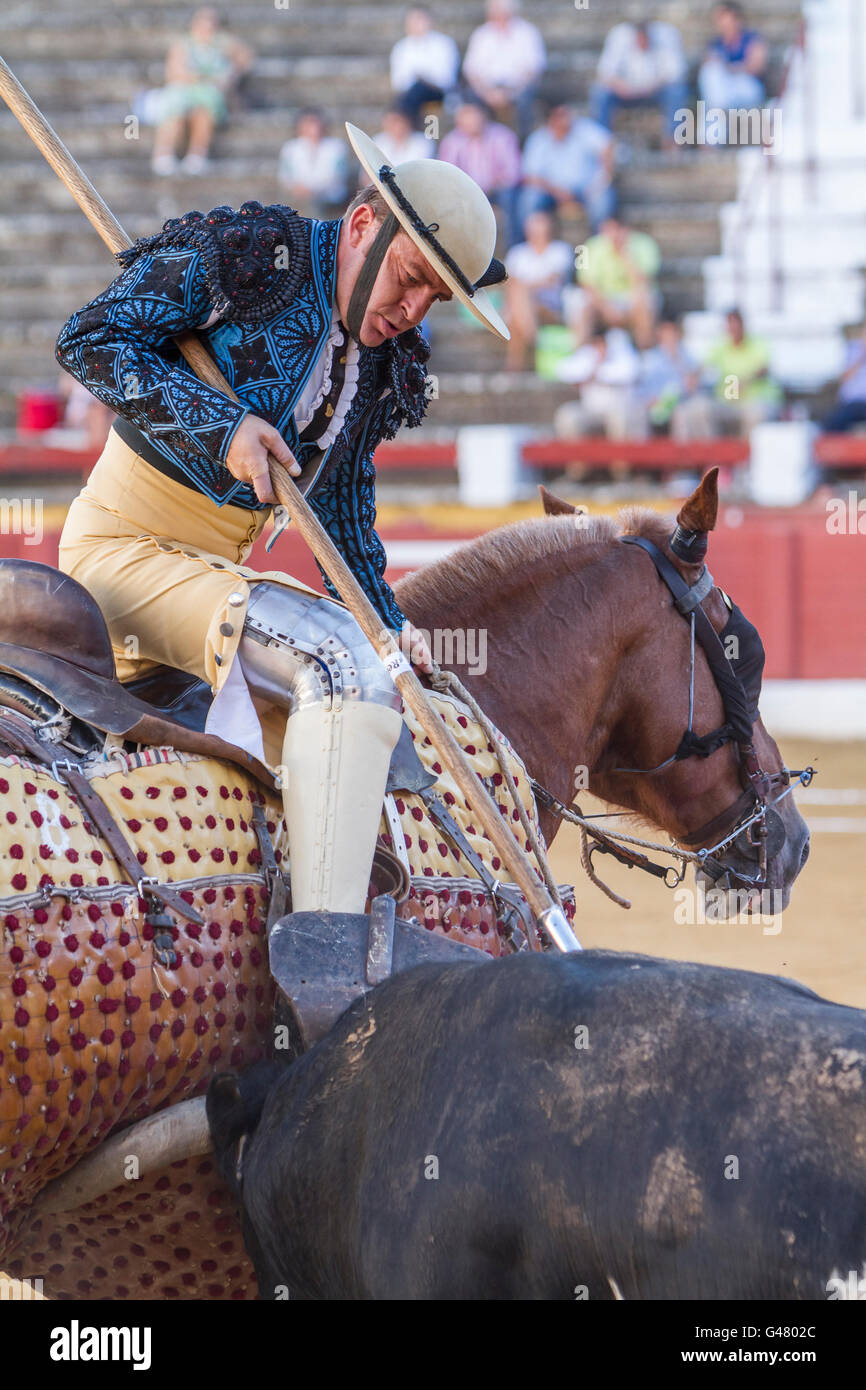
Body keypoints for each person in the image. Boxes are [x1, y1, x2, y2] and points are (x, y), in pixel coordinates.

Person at [55, 125, 510, 959]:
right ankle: (327, 964)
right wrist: (220, 425)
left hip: (206, 580)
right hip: (117, 558)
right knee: (337, 664)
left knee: (371, 668)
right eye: (411, 279)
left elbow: (336, 510)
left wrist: (388, 626)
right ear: (366, 228)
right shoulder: (249, 259)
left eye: (433, 299)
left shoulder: (383, 365)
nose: (411, 311)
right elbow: (89, 339)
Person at [151, 7, 252, 175]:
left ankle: (197, 154)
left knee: (204, 112)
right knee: (175, 111)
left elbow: (246, 58)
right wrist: (201, 78)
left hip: (206, 95)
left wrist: (232, 74)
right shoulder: (182, 44)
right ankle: (163, 153)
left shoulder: (222, 43)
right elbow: (173, 73)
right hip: (183, 91)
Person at [519, 101, 616, 237]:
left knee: (602, 200)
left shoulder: (583, 128)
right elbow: (531, 177)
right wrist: (558, 192)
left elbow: (607, 145)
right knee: (530, 198)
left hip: (586, 189)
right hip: (551, 192)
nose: (566, 119)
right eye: (561, 115)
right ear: (551, 119)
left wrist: (603, 177)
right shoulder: (538, 139)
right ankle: (526, 246)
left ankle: (598, 245)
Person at [591, 18, 688, 149]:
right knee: (600, 93)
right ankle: (601, 144)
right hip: (625, 94)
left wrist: (652, 86)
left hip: (655, 92)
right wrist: (621, 87)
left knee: (677, 92)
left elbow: (675, 73)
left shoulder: (666, 37)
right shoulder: (619, 37)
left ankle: (673, 142)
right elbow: (605, 73)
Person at [439, 98, 522, 248]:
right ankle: (455, 250)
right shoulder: (452, 141)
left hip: (497, 190)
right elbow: (447, 175)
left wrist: (489, 185)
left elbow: (512, 174)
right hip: (466, 191)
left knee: (511, 196)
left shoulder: (503, 137)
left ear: (483, 116)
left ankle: (514, 248)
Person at [572, 216, 661, 349]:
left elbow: (643, 281)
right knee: (580, 302)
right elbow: (585, 283)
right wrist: (606, 308)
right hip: (602, 300)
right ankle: (581, 352)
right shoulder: (586, 247)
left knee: (644, 298)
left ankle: (646, 351)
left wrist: (625, 255)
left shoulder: (646, 243)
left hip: (631, 298)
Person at [463, 0, 546, 142]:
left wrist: (510, 93)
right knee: (469, 100)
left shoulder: (527, 33)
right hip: (487, 89)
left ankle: (522, 145)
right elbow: (471, 72)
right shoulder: (481, 34)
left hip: (518, 88)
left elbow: (533, 71)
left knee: (525, 103)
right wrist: (487, 93)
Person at [503, 210, 573, 372]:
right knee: (517, 307)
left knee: (517, 305)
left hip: (551, 307)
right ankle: (531, 335)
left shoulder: (560, 250)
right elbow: (510, 284)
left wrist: (525, 286)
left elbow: (553, 280)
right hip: (525, 307)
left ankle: (514, 368)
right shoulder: (518, 253)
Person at [694, 308, 781, 434]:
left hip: (755, 399)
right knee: (699, 409)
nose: (733, 329)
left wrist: (745, 382)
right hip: (728, 401)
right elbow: (704, 365)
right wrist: (694, 376)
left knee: (754, 414)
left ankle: (748, 452)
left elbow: (764, 369)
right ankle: (709, 452)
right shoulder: (720, 346)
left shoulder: (758, 343)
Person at [553, 330, 644, 441]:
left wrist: (598, 373)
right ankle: (577, 457)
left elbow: (629, 372)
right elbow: (562, 370)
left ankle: (619, 457)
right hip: (590, 410)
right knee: (568, 415)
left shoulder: (621, 353)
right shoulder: (587, 355)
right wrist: (592, 370)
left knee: (619, 419)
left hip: (617, 409)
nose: (600, 348)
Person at [389, 6, 460, 127]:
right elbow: (398, 82)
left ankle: (408, 128)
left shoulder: (444, 44)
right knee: (413, 92)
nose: (416, 24)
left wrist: (422, 78)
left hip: (438, 93)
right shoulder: (401, 47)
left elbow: (446, 78)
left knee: (413, 94)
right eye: (412, 20)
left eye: (419, 19)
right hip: (411, 94)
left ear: (430, 21)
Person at [637, 319, 705, 438]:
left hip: (681, 403)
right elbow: (642, 387)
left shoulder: (686, 356)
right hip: (655, 404)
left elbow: (692, 385)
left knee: (684, 414)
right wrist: (651, 400)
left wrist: (677, 360)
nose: (669, 337)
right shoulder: (650, 358)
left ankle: (683, 455)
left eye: (672, 333)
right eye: (666, 333)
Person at [278, 109, 350, 219]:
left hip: (330, 196)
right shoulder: (290, 148)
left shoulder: (337, 147)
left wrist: (313, 190)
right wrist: (298, 188)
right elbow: (286, 177)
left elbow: (337, 177)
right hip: (301, 196)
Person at [698, 3, 768, 116]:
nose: (721, 23)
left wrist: (730, 68)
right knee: (710, 71)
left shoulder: (751, 39)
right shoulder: (715, 44)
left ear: (736, 20)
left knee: (714, 105)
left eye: (724, 18)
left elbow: (756, 67)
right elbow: (707, 70)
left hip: (747, 86)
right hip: (723, 90)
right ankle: (717, 113)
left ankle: (717, 112)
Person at [822, 326, 866, 432]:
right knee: (831, 425)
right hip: (850, 404)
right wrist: (862, 357)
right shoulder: (852, 350)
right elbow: (844, 377)